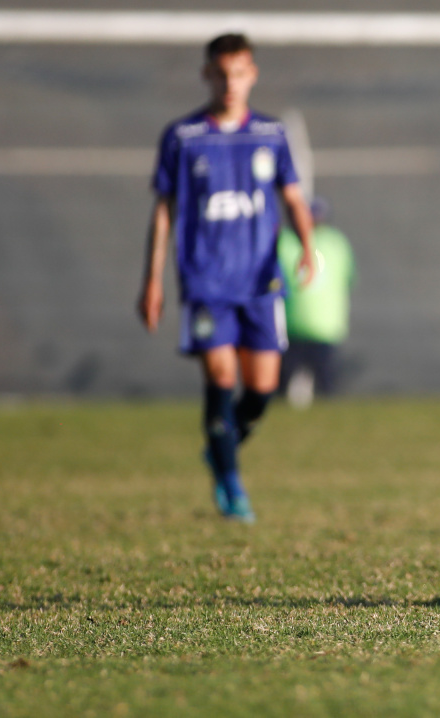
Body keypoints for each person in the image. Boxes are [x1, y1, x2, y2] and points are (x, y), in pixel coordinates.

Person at [138, 33, 316, 523]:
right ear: (207, 75)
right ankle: (232, 486)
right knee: (221, 376)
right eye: (221, 73)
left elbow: (294, 198)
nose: (230, 83)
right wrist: (152, 280)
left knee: (261, 389)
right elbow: (164, 212)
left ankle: (221, 445)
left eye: (239, 73)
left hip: (261, 283)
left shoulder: (271, 135)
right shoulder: (183, 137)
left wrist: (307, 245)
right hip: (206, 283)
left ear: (252, 74)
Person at [277, 196, 355, 406]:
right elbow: (349, 278)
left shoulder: (285, 242)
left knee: (280, 389)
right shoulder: (338, 243)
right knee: (326, 387)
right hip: (323, 327)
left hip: (294, 326)